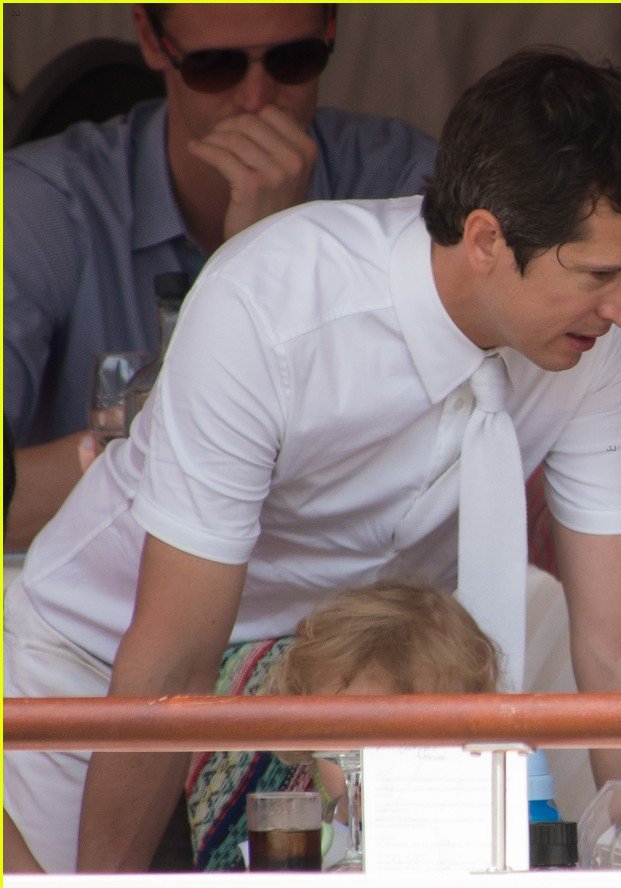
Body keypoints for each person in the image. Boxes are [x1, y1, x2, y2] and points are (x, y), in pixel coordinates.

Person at [3, 46, 621, 874]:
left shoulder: (599, 334)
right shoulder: (270, 302)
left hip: (353, 689)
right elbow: (175, 650)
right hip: (107, 662)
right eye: (600, 273)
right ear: (484, 238)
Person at [3, 3, 437, 549]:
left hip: (334, 604)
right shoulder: (38, 204)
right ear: (153, 40)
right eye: (215, 66)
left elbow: (435, 467)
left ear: (329, 35)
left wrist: (276, 254)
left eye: (293, 59)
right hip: (99, 596)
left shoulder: (399, 186)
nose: (256, 98)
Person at [187, 580, 500, 871]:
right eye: (348, 736)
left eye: (406, 738)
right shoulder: (295, 859)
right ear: (307, 742)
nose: (369, 763)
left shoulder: (492, 851)